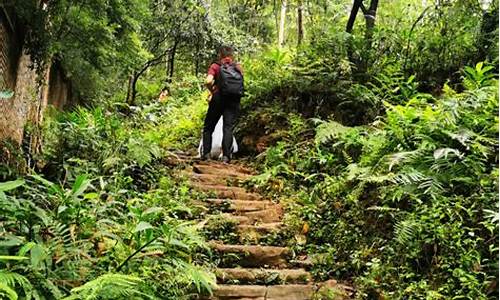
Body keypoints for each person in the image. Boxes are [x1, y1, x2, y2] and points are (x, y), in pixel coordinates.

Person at [202, 45, 244, 164]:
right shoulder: (238, 67)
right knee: (228, 127)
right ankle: (226, 157)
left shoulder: (216, 66)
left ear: (220, 55)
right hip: (233, 100)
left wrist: (212, 91)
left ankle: (206, 155)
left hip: (219, 98)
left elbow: (208, 81)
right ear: (232, 55)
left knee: (208, 127)